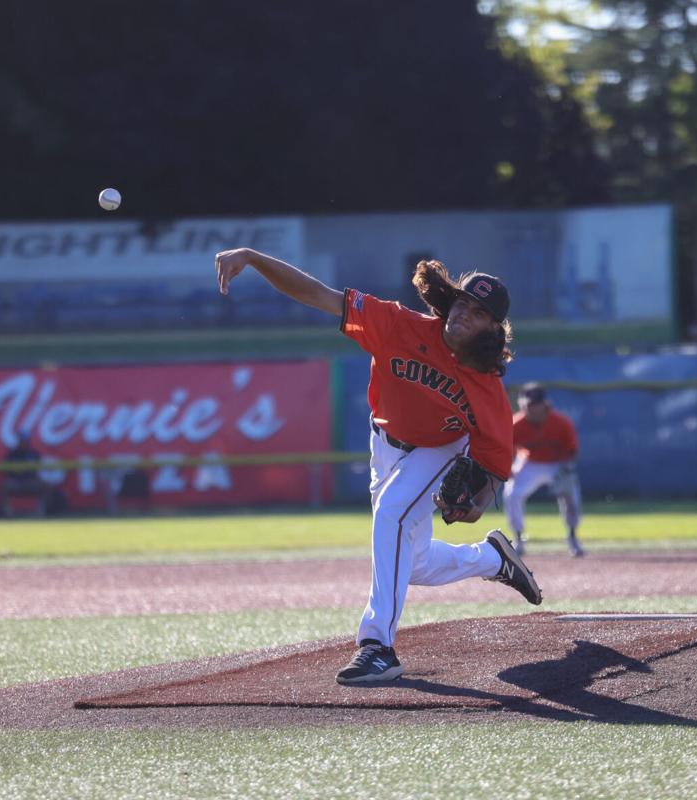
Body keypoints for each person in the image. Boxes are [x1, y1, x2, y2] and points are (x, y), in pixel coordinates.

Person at [216, 247, 541, 685]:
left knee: (391, 512)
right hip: (384, 443)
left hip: (441, 449)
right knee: (415, 563)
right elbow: (319, 295)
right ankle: (492, 559)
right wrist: (254, 258)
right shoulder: (397, 325)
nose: (465, 312)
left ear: (492, 330)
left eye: (479, 311)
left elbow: (493, 472)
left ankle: (377, 646)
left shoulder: (485, 386)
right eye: (462, 300)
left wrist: (475, 503)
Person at [504, 383, 584, 557]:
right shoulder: (517, 423)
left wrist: (566, 468)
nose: (530, 408)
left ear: (545, 405)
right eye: (527, 405)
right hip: (529, 462)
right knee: (512, 494)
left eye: (534, 404)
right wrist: (509, 467)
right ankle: (518, 539)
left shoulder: (561, 422)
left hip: (557, 464)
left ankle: (573, 539)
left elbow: (573, 451)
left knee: (572, 496)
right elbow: (507, 448)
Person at [0, 429, 48, 517]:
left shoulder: (34, 454)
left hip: (30, 480)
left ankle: (40, 512)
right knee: (5, 485)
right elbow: (6, 470)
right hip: (16, 481)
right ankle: (7, 512)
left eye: (25, 441)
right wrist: (16, 471)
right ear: (18, 441)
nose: (23, 443)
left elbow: (39, 469)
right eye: (21, 441)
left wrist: (28, 471)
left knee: (45, 485)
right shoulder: (12, 454)